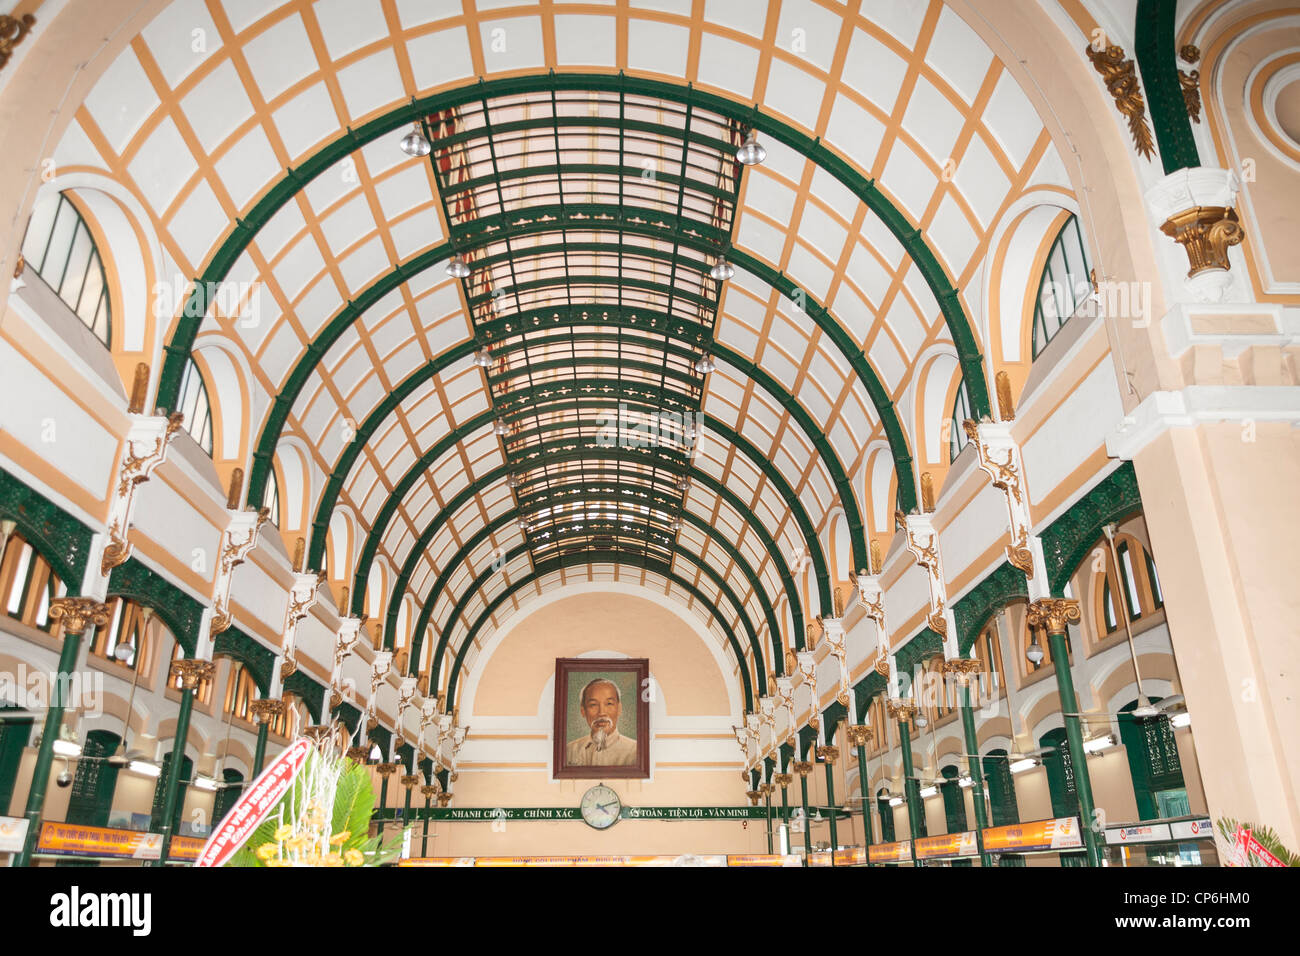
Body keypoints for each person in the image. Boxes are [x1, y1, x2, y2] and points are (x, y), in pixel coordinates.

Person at [565, 678, 638, 766]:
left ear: (619, 709)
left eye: (609, 704)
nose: (601, 713)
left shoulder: (635, 751)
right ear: (583, 711)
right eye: (593, 705)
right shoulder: (570, 750)